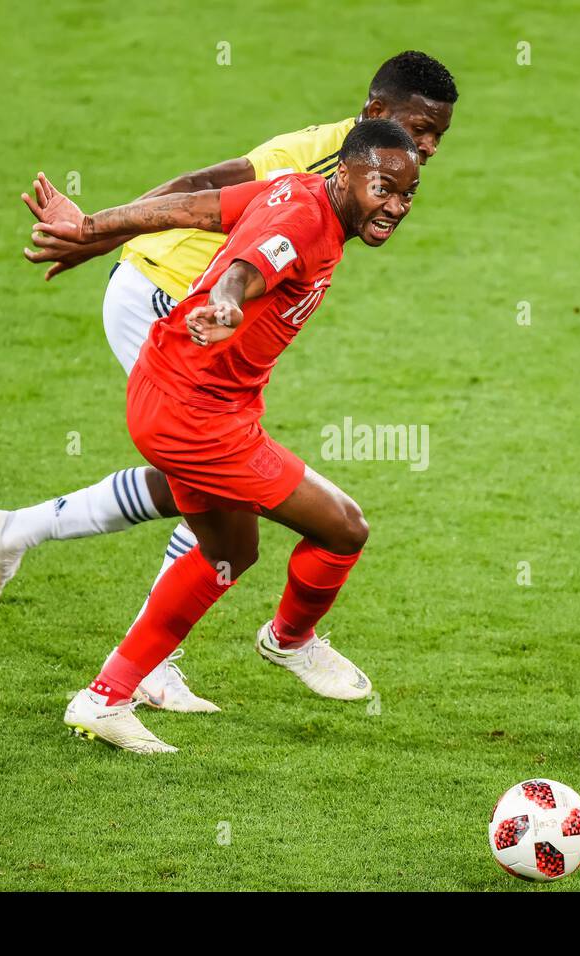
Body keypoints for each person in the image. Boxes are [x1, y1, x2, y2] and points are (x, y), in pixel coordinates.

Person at [0, 52, 457, 715]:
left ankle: (14, 536)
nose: (424, 148)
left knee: (202, 488)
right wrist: (97, 237)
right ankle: (150, 667)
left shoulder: (364, 179)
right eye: (417, 128)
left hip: (196, 313)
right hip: (170, 301)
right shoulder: (313, 167)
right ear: (373, 115)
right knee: (223, 488)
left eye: (436, 139)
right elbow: (204, 192)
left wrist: (97, 229)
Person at [33, 118, 421, 753]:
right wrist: (229, 301)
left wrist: (91, 226)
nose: (396, 206)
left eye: (407, 194)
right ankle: (290, 640)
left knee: (229, 551)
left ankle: (105, 698)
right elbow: (247, 267)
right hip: (198, 419)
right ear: (346, 173)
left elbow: (190, 208)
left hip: (166, 392)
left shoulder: (294, 190)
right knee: (344, 529)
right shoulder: (303, 221)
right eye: (384, 187)